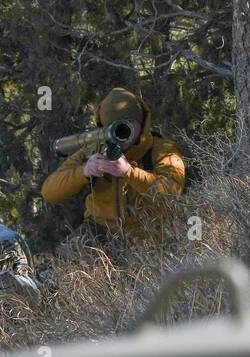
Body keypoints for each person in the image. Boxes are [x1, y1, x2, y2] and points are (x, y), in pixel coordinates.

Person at [41, 88, 185, 245]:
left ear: (142, 122)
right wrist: (84, 171)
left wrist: (129, 172)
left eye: (130, 123)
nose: (123, 131)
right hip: (100, 232)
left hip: (149, 233)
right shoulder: (93, 150)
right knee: (65, 263)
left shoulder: (162, 150)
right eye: (115, 126)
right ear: (104, 128)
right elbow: (49, 192)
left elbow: (171, 192)